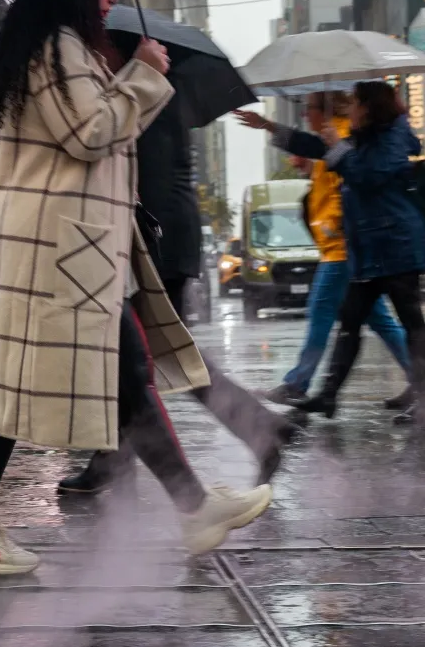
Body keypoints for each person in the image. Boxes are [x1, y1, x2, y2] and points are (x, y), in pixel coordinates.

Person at [0, 0, 272, 574]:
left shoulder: (48, 45)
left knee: (103, 382)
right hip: (63, 252)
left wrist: (132, 79)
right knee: (33, 386)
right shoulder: (56, 46)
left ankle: (188, 506)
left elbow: (91, 134)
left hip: (68, 250)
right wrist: (143, 74)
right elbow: (92, 133)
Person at [60, 76, 295, 495]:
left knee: (143, 355)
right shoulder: (155, 83)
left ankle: (255, 427)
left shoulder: (139, 84)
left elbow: (124, 158)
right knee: (148, 353)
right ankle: (114, 459)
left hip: (155, 234)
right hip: (167, 229)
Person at [237, 80, 425, 423]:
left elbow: (369, 176)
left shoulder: (392, 137)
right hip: (371, 248)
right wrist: (270, 127)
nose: (352, 108)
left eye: (357, 103)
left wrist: (338, 150)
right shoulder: (366, 136)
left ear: (370, 107)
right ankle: (327, 396)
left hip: (396, 246)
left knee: (411, 323)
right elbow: (316, 147)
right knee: (350, 320)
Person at [265, 93, 410, 404]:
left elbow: (345, 188)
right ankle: (421, 380)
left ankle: (298, 383)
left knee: (320, 311)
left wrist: (333, 225)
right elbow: (306, 146)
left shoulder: (341, 137)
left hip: (341, 249)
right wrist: (268, 127)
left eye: (309, 109)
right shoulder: (332, 137)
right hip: (341, 248)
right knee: (380, 320)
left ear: (325, 109)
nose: (305, 115)